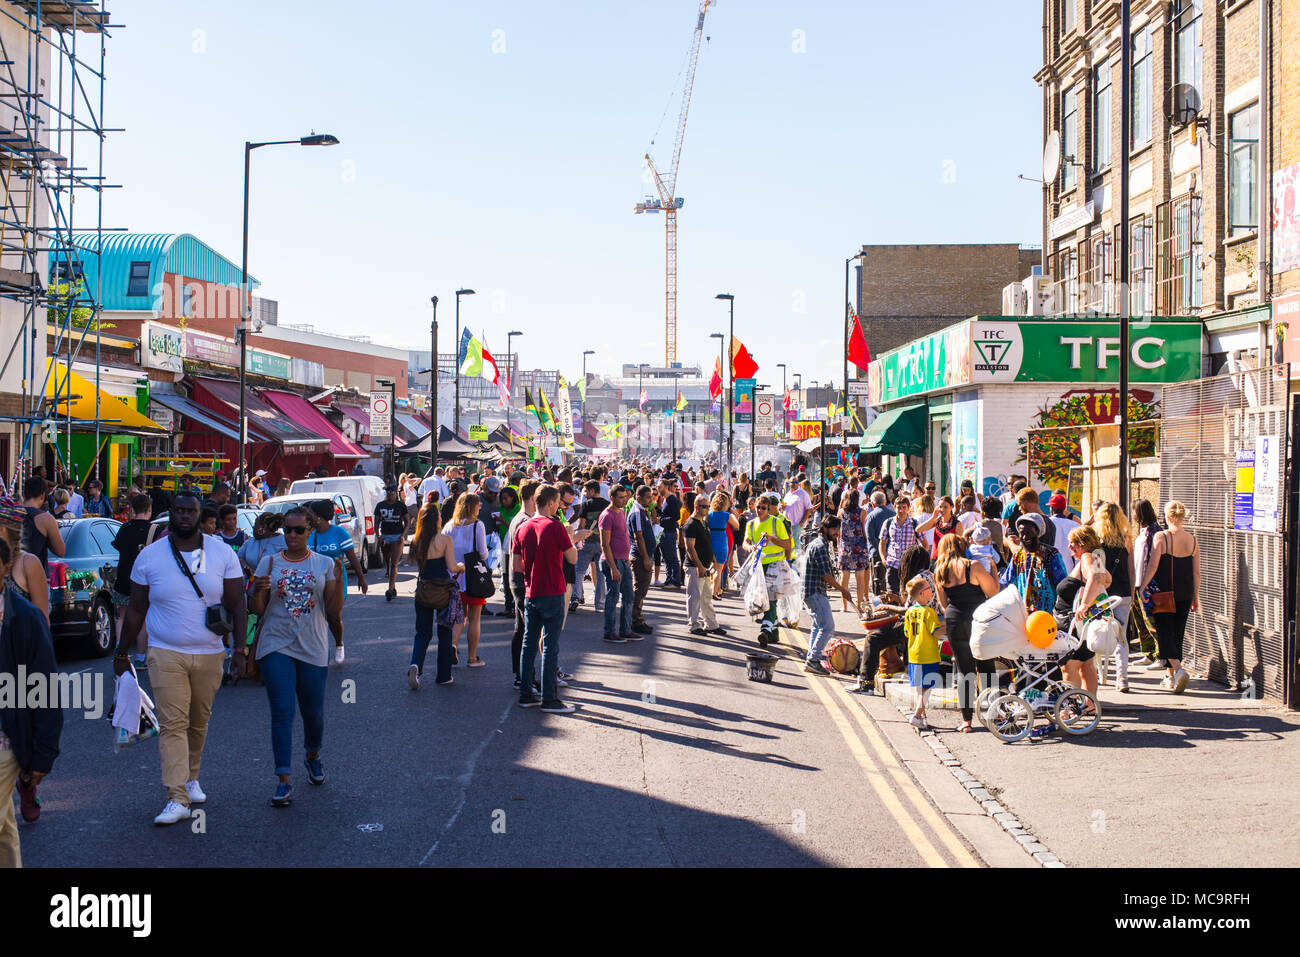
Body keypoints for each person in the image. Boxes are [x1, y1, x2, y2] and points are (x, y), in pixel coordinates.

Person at [113, 490, 246, 826]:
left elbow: (237, 605)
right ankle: (177, 797)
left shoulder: (222, 554)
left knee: (198, 722)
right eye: (179, 510)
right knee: (173, 725)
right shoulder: (150, 557)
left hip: (210, 652)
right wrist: (122, 650)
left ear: (201, 514)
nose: (185, 516)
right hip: (164, 652)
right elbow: (136, 609)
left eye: (191, 511)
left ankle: (190, 777)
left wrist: (240, 650)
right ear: (170, 513)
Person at [249, 506, 342, 808]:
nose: (291, 535)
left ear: (310, 531)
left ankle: (313, 754)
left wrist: (338, 581)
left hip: (313, 645)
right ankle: (283, 779)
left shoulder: (324, 563)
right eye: (287, 529)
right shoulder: (269, 561)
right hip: (276, 644)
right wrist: (258, 590)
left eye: (298, 530)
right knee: (282, 711)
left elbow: (333, 610)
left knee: (313, 713)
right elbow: (257, 609)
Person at [0, 532, 62, 865]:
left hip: (7, 733)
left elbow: (44, 684)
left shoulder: (23, 618)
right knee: (4, 828)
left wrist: (43, 753)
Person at [516, 485, 579, 713]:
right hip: (552, 590)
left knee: (529, 642)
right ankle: (549, 698)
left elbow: (516, 565)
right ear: (551, 503)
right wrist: (571, 538)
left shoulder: (522, 528)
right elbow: (572, 558)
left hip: (531, 590)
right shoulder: (556, 526)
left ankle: (526, 692)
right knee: (551, 645)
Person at [934, 533, 1000, 732]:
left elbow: (943, 604)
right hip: (977, 618)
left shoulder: (940, 570)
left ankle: (967, 721)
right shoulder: (973, 566)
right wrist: (995, 571)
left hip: (954, 619)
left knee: (964, 669)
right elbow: (993, 592)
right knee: (986, 664)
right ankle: (993, 714)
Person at [1139, 500, 1199, 694]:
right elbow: (1196, 573)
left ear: (1166, 516)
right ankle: (1170, 677)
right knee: (1177, 634)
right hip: (1185, 592)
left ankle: (1180, 671)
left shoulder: (1161, 537)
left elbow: (1153, 565)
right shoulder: (1193, 540)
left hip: (1164, 593)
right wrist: (1195, 596)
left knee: (1164, 633)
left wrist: (1144, 585)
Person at [408, 497, 463, 690]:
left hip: (423, 589)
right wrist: (461, 567)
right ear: (437, 520)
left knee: (422, 632)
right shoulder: (444, 540)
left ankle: (415, 664)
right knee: (445, 631)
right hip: (441, 591)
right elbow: (451, 567)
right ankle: (443, 675)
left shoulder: (416, 540)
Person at [307, 499, 366, 664]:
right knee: (316, 616)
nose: (308, 516)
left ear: (319, 516)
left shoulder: (338, 532)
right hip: (314, 582)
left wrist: (361, 577)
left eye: (311, 513)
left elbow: (352, 557)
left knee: (333, 616)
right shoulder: (308, 534)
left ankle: (339, 643)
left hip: (337, 580)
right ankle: (318, 649)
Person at [1057, 525, 1109, 701]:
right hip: (1082, 623)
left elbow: (1096, 577)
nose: (1069, 547)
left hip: (1076, 624)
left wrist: (1084, 604)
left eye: (1073, 543)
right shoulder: (1095, 557)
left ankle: (1070, 707)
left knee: (1069, 666)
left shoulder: (1087, 557)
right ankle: (1089, 705)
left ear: (1083, 543)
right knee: (1087, 665)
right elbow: (1106, 579)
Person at [801, 515, 856, 675]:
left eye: (837, 530)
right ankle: (814, 659)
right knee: (828, 626)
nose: (836, 533)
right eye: (834, 529)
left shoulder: (819, 544)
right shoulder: (820, 546)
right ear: (824, 528)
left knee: (818, 626)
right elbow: (827, 575)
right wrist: (843, 590)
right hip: (815, 592)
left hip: (812, 591)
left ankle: (811, 658)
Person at [1090, 502, 1135, 692]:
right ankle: (1122, 678)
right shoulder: (1126, 539)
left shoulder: (1096, 541)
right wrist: (1132, 592)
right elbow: (1131, 569)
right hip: (1123, 593)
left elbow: (1096, 572)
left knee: (1096, 632)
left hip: (1101, 595)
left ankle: (1100, 674)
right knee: (1121, 637)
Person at [743, 493, 793, 646]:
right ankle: (774, 633)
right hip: (758, 565)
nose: (759, 510)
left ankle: (765, 630)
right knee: (761, 598)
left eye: (763, 508)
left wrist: (772, 539)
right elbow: (745, 542)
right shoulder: (751, 524)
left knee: (770, 598)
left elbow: (787, 544)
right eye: (758, 507)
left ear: (768, 509)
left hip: (775, 564)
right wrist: (749, 546)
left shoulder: (776, 522)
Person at [111, 494, 154, 667]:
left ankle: (120, 652)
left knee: (122, 616)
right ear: (149, 509)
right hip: (145, 581)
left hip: (124, 577)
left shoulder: (124, 528)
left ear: (132, 509)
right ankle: (141, 657)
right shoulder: (154, 530)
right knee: (142, 618)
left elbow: (118, 546)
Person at [447, 493, 489, 667]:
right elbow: (483, 553)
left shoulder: (449, 525)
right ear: (474, 507)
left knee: (458, 617)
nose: (481, 507)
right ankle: (472, 658)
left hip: (453, 577)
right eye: (479, 505)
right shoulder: (477, 525)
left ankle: (452, 644)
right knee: (474, 617)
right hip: (472, 577)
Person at [1000, 513, 1068, 614]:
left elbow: (1062, 584)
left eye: (1029, 532)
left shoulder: (1051, 555)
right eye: (1021, 533)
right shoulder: (1018, 556)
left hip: (1046, 614)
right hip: (1023, 613)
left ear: (1038, 532)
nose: (1024, 536)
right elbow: (1007, 581)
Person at [508, 481, 541, 683]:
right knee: (530, 632)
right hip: (523, 581)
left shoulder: (520, 518)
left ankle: (521, 675)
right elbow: (525, 558)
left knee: (521, 629)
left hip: (518, 581)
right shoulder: (524, 521)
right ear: (532, 498)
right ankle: (526, 677)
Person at [681, 494, 724, 636]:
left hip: (704, 566)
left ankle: (711, 624)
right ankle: (694, 624)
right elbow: (689, 548)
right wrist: (699, 566)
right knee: (694, 596)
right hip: (694, 567)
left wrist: (713, 560)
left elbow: (707, 543)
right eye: (705, 507)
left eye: (708, 506)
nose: (707, 509)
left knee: (706, 597)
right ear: (697, 507)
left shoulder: (703, 523)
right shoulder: (690, 524)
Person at [903, 575, 942, 730]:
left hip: (914, 654)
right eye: (928, 588)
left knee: (919, 687)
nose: (931, 590)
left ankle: (922, 716)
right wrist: (950, 627)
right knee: (928, 687)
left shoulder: (910, 611)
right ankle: (918, 714)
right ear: (921, 594)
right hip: (928, 654)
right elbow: (936, 632)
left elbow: (907, 632)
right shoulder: (929, 612)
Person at [599, 485, 637, 643]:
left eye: (625, 496)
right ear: (612, 498)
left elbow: (623, 536)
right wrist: (613, 567)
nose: (624, 499)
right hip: (612, 561)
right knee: (613, 597)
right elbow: (605, 544)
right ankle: (609, 632)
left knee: (629, 596)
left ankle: (626, 630)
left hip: (623, 560)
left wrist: (627, 557)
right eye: (621, 497)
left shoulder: (621, 512)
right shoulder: (607, 515)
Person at [1130, 498, 1164, 665]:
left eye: (1134, 511)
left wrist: (1145, 584)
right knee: (1141, 622)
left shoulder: (1154, 533)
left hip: (1148, 584)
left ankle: (1160, 654)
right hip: (1137, 583)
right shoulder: (1143, 532)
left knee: (1152, 621)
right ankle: (1148, 652)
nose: (1133, 515)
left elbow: (1152, 562)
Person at [572, 480, 609, 614]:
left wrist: (579, 540)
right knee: (600, 574)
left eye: (587, 491)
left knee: (579, 570)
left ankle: (575, 597)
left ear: (593, 490)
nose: (585, 494)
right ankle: (600, 603)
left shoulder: (586, 505)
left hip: (587, 541)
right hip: (602, 542)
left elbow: (581, 524)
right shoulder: (607, 504)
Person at [626, 485, 657, 635]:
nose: (650, 500)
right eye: (648, 497)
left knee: (642, 589)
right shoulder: (637, 512)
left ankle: (638, 619)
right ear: (639, 498)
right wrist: (645, 558)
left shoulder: (643, 511)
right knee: (639, 590)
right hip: (639, 557)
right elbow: (639, 537)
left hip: (645, 555)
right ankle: (635, 621)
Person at [836, 489, 870, 613]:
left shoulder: (841, 512)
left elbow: (838, 531)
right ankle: (859, 605)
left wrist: (839, 545)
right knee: (860, 577)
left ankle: (844, 605)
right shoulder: (862, 512)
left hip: (845, 547)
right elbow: (864, 530)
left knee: (844, 577)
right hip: (859, 547)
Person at [374, 483, 410, 602]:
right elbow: (377, 523)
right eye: (388, 492)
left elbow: (407, 522)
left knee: (394, 563)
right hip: (385, 536)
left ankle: (389, 590)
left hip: (396, 536)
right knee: (388, 563)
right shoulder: (380, 505)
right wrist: (378, 535)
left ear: (396, 493)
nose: (390, 494)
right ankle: (393, 587)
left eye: (392, 492)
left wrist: (403, 535)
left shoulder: (400, 505)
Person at [21, 477, 64, 572]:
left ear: (24, 494)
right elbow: (60, 551)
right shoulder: (45, 518)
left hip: (11, 577)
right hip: (36, 575)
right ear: (43, 495)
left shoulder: (10, 515)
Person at [878, 495, 918, 595]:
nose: (901, 510)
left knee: (909, 594)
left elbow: (924, 543)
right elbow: (882, 543)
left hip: (909, 565)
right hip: (892, 563)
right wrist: (883, 558)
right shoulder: (888, 523)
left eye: (904, 507)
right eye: (899, 507)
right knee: (892, 594)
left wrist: (919, 560)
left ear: (908, 508)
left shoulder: (914, 523)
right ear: (894, 508)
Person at [707, 491, 737, 600]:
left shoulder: (709, 514)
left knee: (714, 567)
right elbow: (736, 525)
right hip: (722, 541)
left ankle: (717, 589)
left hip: (711, 541)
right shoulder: (726, 515)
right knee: (719, 570)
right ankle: (714, 591)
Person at [656, 478, 682, 590]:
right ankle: (669, 579)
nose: (658, 488)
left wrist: (661, 520)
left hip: (669, 532)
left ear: (666, 487)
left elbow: (676, 516)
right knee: (666, 557)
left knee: (672, 557)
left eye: (659, 486)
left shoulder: (672, 499)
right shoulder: (665, 499)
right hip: (664, 531)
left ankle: (676, 581)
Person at [781, 479, 813, 550]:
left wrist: (802, 522)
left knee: (795, 545)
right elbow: (785, 507)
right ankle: (790, 559)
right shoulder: (788, 494)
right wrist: (783, 508)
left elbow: (809, 508)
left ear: (799, 484)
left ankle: (797, 560)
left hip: (797, 524)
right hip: (787, 524)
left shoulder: (803, 493)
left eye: (796, 482)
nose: (794, 484)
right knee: (788, 544)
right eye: (793, 482)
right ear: (789, 484)